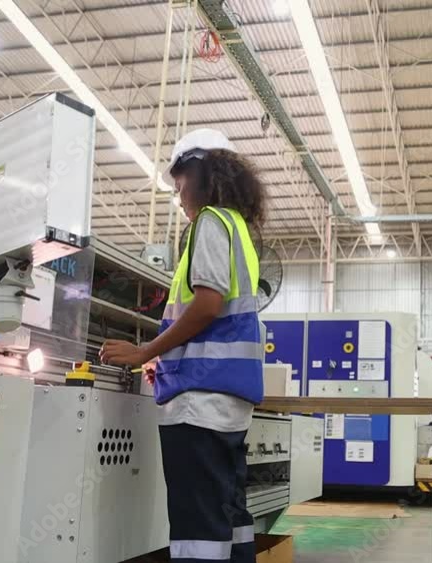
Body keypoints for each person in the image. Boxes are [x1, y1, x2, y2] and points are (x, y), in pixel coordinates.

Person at [100, 128, 265, 563]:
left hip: (200, 404)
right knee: (229, 518)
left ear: (197, 172)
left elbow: (207, 305)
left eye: (178, 184)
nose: (178, 196)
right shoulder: (239, 230)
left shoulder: (210, 222)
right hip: (226, 400)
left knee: (197, 528)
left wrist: (144, 352)